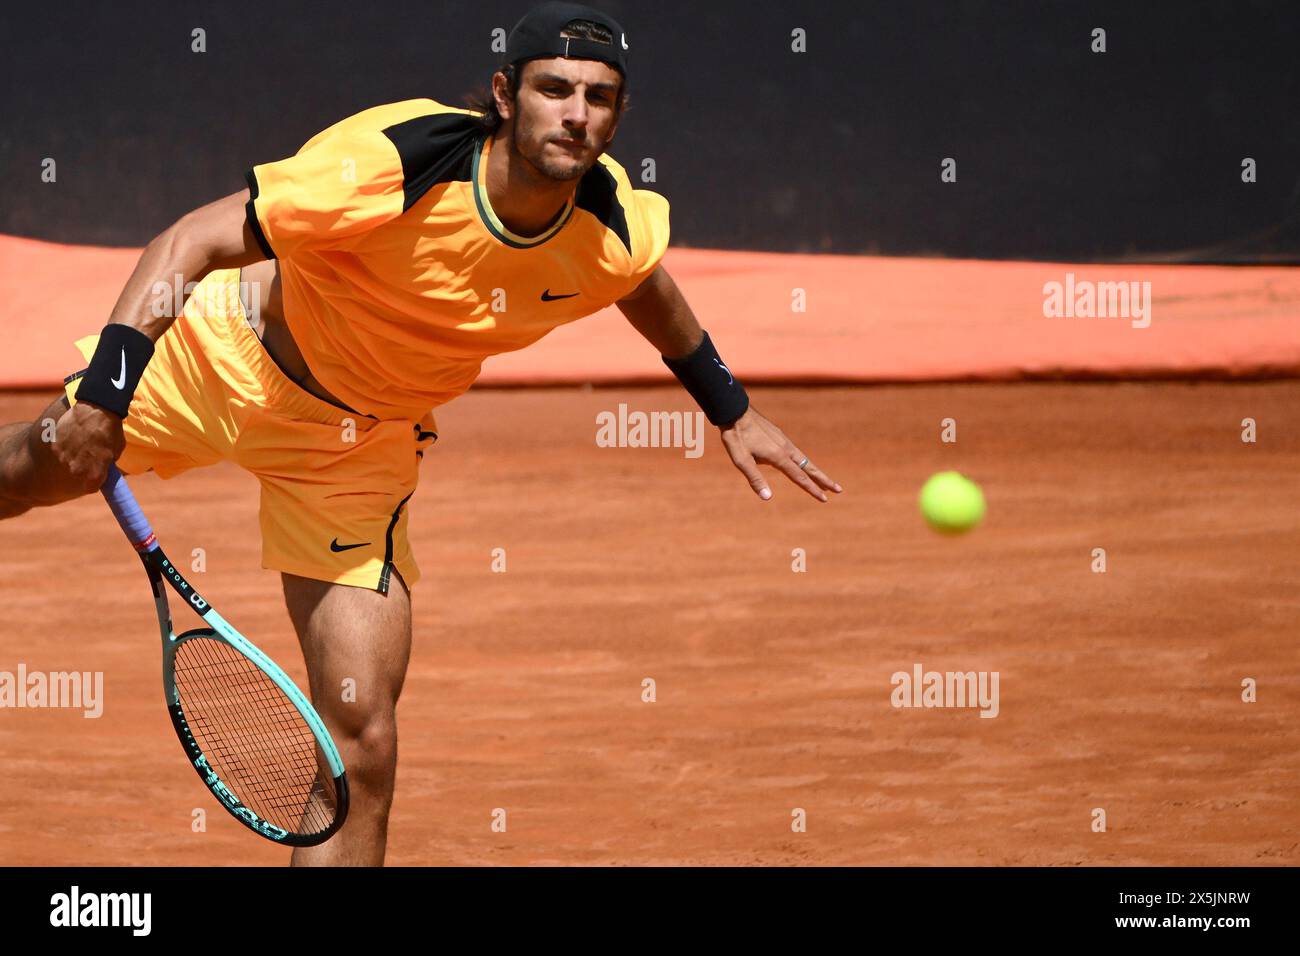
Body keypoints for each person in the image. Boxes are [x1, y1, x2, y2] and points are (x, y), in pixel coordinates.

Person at [0, 1, 841, 865]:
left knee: (360, 734)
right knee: (34, 467)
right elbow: (192, 239)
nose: (577, 113)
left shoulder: (608, 223)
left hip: (355, 453)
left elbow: (641, 286)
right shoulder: (401, 160)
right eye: (555, 89)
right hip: (222, 355)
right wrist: (105, 395)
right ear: (506, 94)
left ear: (619, 116)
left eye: (599, 96)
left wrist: (730, 408)